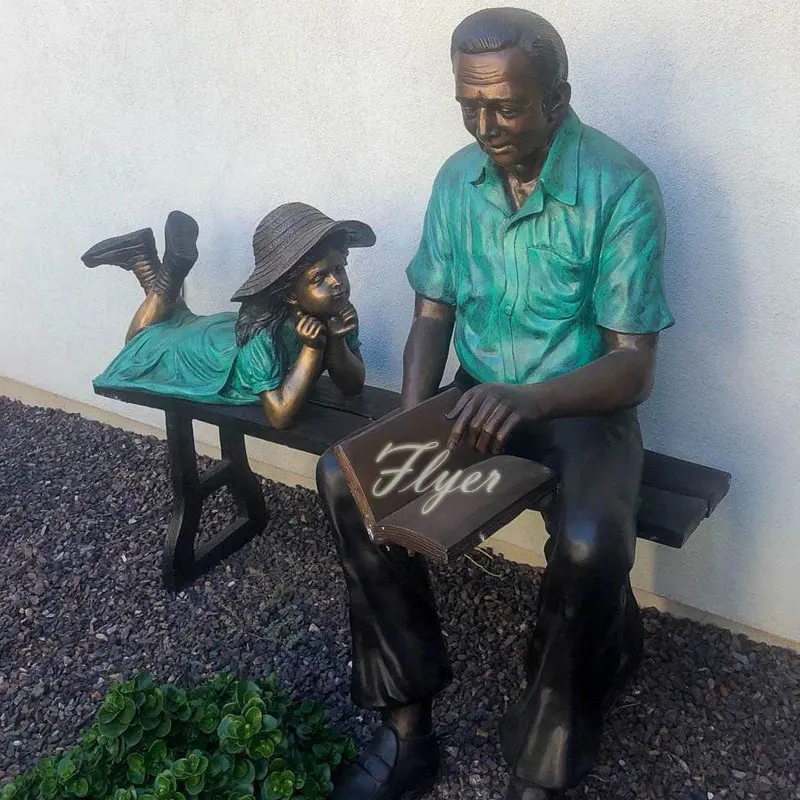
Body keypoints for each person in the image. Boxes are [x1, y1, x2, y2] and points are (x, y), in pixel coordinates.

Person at [315, 7, 674, 799]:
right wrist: (408, 432)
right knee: (350, 481)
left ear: (558, 97)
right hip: (478, 398)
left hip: (583, 409)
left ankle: (543, 759)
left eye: (506, 106)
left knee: (591, 546)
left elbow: (633, 367)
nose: (486, 125)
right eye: (469, 105)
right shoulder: (456, 180)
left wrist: (533, 400)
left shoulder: (621, 187)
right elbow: (432, 315)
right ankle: (406, 724)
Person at [85, 203, 374, 428]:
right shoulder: (263, 336)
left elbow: (351, 387)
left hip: (225, 338)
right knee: (141, 343)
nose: (336, 283)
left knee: (171, 325)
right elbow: (280, 416)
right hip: (213, 363)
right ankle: (159, 266)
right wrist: (312, 351)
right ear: (288, 293)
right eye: (319, 277)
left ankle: (145, 261)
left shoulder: (337, 311)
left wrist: (336, 342)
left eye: (339, 269)